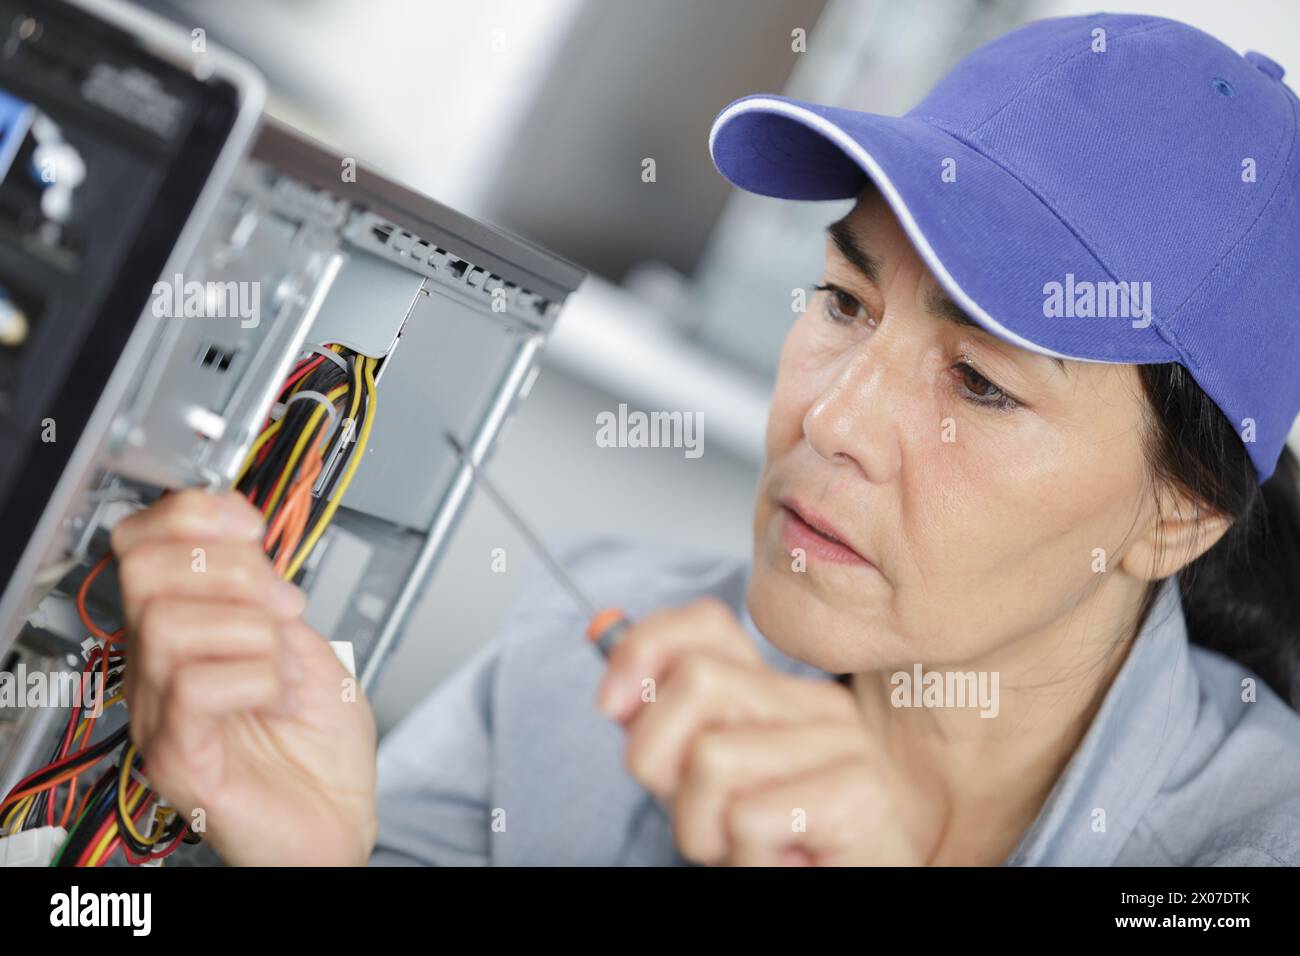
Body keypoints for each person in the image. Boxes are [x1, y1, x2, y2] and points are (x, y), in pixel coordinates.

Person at [112, 13, 1300, 865]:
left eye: (981, 384)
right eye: (844, 301)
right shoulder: (582, 673)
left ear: (1177, 515)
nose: (829, 421)